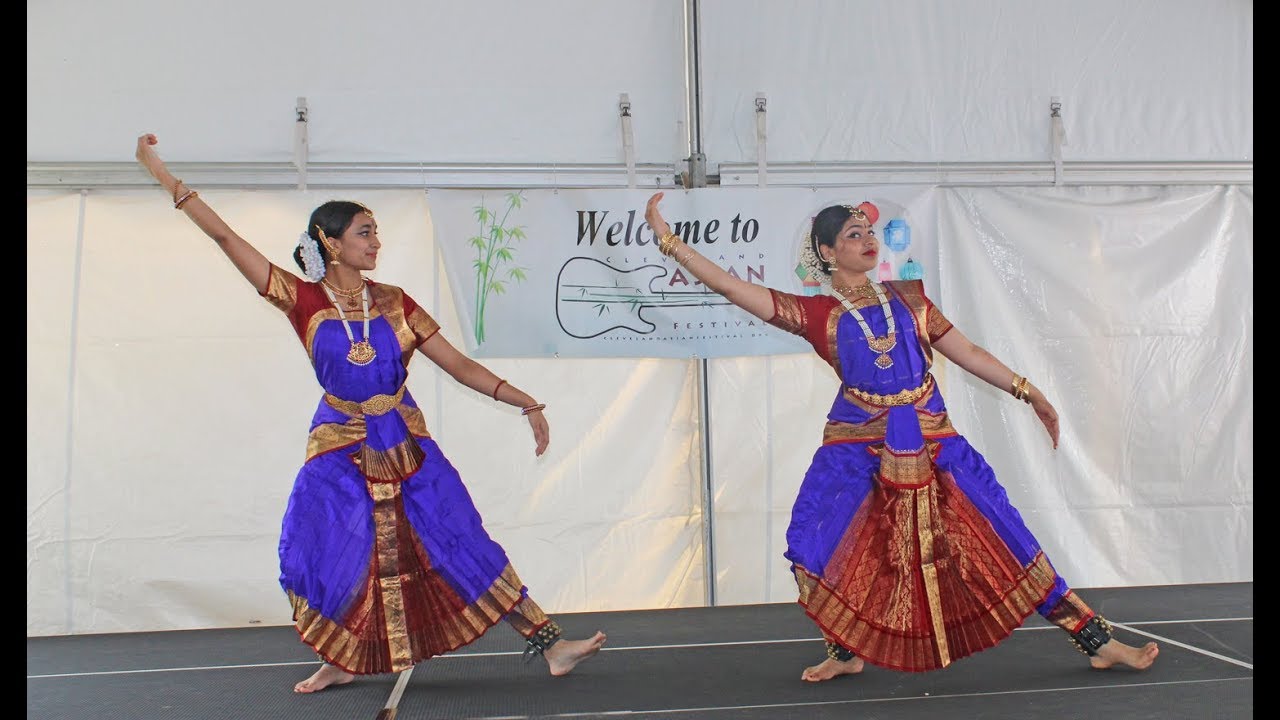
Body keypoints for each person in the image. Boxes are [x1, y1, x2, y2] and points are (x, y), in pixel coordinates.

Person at [134, 133, 607, 694]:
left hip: (403, 438)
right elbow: (223, 235)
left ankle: (552, 646)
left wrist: (523, 399)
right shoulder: (300, 299)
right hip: (338, 441)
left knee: (457, 536)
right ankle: (340, 658)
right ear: (329, 243)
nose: (376, 241)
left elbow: (457, 364)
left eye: (377, 232)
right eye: (365, 232)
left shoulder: (396, 302)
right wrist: (162, 175)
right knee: (328, 547)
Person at [643, 192, 1159, 682]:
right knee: (813, 544)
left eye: (869, 231)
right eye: (852, 234)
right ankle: (844, 652)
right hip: (856, 444)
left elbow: (969, 352)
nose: (868, 239)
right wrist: (669, 242)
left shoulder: (911, 301)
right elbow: (734, 288)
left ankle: (1096, 640)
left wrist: (1029, 391)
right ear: (827, 251)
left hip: (933, 439)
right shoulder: (817, 315)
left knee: (1002, 535)